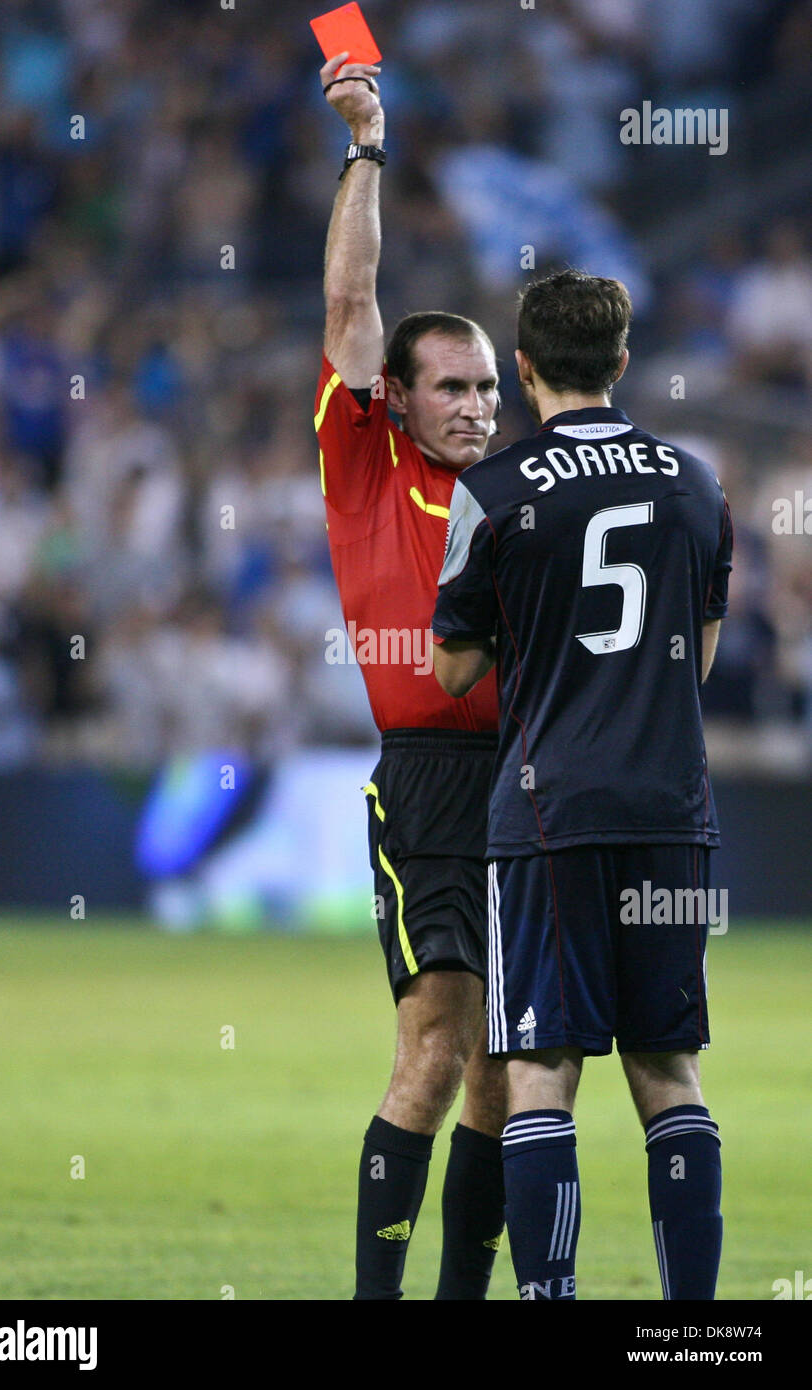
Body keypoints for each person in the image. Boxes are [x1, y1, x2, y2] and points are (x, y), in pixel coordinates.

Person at [432, 268, 732, 1301]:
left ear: (521, 369)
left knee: (539, 1073)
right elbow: (697, 659)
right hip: (669, 812)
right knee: (669, 1071)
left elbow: (454, 668)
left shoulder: (493, 490)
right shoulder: (695, 482)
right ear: (621, 361)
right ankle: (690, 1330)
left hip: (548, 811)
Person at [315, 51, 508, 1300]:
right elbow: (350, 300)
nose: (475, 406)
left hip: (526, 783)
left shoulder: (519, 496)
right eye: (451, 385)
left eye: (487, 387)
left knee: (501, 1073)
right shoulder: (369, 465)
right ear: (399, 393)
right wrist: (367, 146)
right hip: (431, 783)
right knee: (433, 1051)